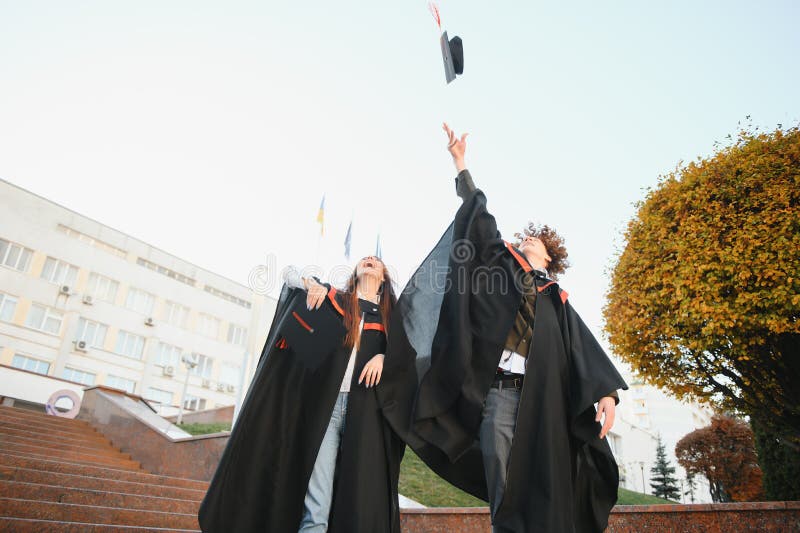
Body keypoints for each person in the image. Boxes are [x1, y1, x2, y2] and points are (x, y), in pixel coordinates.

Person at [378, 124, 628, 533]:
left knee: (542, 483)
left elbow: (582, 348)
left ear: (550, 256)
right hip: (498, 393)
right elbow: (480, 218)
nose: (527, 237)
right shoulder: (501, 267)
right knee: (501, 478)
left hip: (543, 401)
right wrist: (461, 163)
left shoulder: (556, 299)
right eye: (524, 235)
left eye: (536, 239)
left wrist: (606, 393)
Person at [199, 256, 403, 533]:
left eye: (376, 261)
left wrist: (383, 357)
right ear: (354, 273)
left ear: (384, 278)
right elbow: (288, 273)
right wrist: (309, 283)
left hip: (368, 417)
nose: (369, 260)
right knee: (317, 499)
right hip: (325, 411)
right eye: (364, 259)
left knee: (357, 498)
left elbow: (408, 358)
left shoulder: (392, 318)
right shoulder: (335, 300)